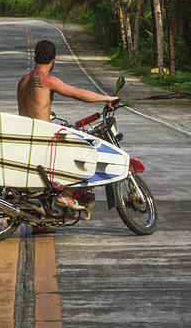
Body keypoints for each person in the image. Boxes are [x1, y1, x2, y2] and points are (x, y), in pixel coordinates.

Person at [17, 39, 119, 215]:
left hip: (25, 135)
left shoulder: (23, 81)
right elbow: (78, 94)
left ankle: (42, 220)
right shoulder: (46, 80)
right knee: (84, 153)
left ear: (35, 58)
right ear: (54, 60)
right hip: (43, 136)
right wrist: (106, 98)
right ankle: (66, 194)